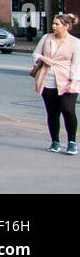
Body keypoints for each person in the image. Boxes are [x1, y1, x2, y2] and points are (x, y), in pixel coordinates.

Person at [31, 13, 80, 154]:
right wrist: (43, 59)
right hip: (48, 80)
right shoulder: (47, 38)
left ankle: (71, 142)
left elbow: (77, 64)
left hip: (67, 81)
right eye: (53, 23)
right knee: (52, 113)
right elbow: (35, 54)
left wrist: (74, 81)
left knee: (68, 110)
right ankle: (55, 141)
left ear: (67, 26)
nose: (53, 26)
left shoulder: (75, 42)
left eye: (57, 24)